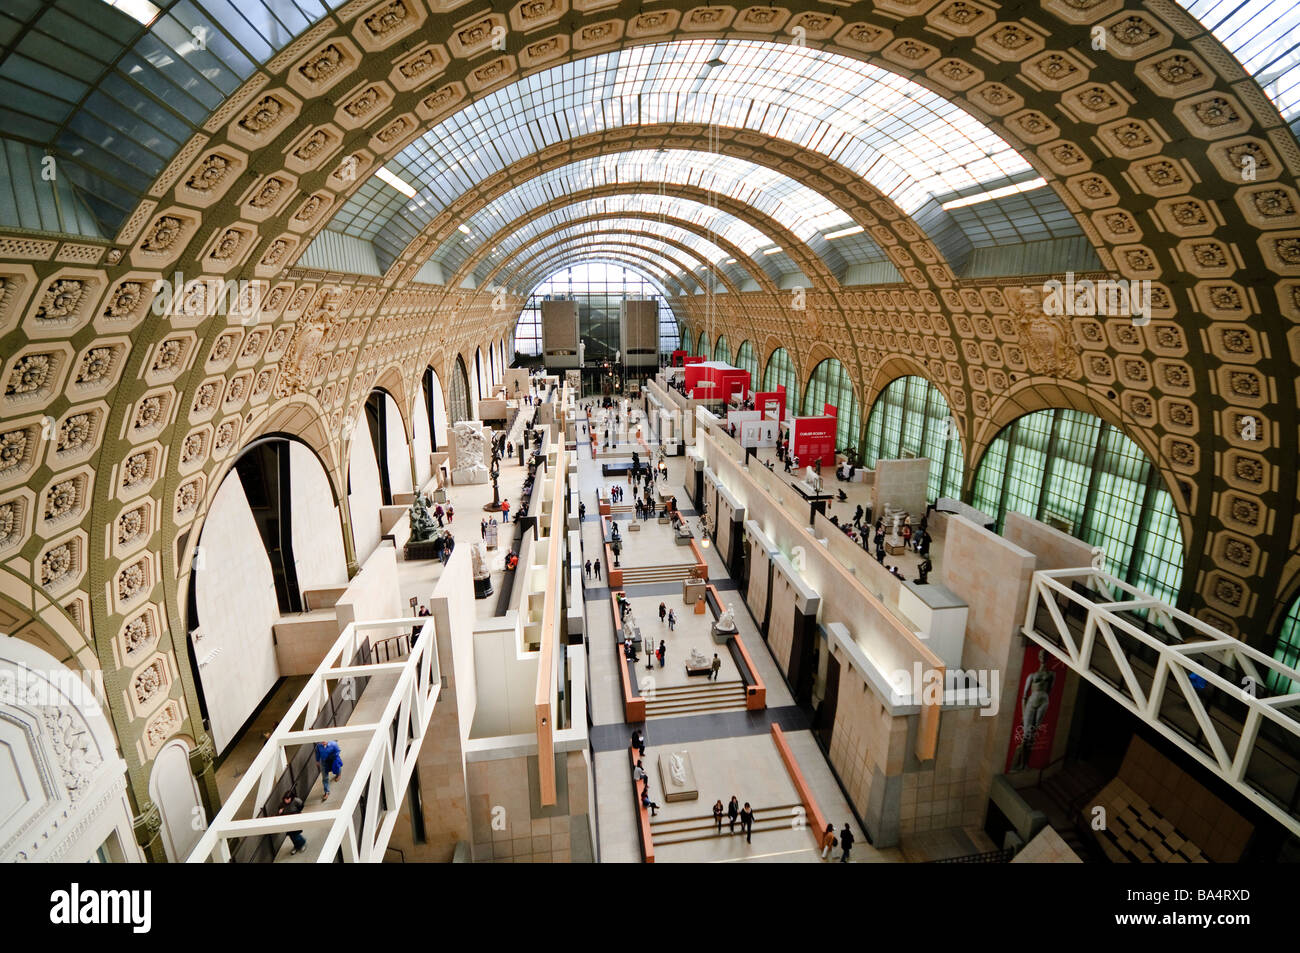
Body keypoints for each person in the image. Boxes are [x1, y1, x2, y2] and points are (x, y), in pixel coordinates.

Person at [278, 791, 307, 855]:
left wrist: (298, 812)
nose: (286, 801)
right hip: (287, 822)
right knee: (291, 835)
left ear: (291, 798)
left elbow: (301, 805)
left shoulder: (296, 801)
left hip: (295, 820)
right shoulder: (282, 804)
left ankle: (302, 843)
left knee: (296, 835)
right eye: (285, 799)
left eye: (288, 799)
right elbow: (280, 810)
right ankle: (296, 846)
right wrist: (280, 811)